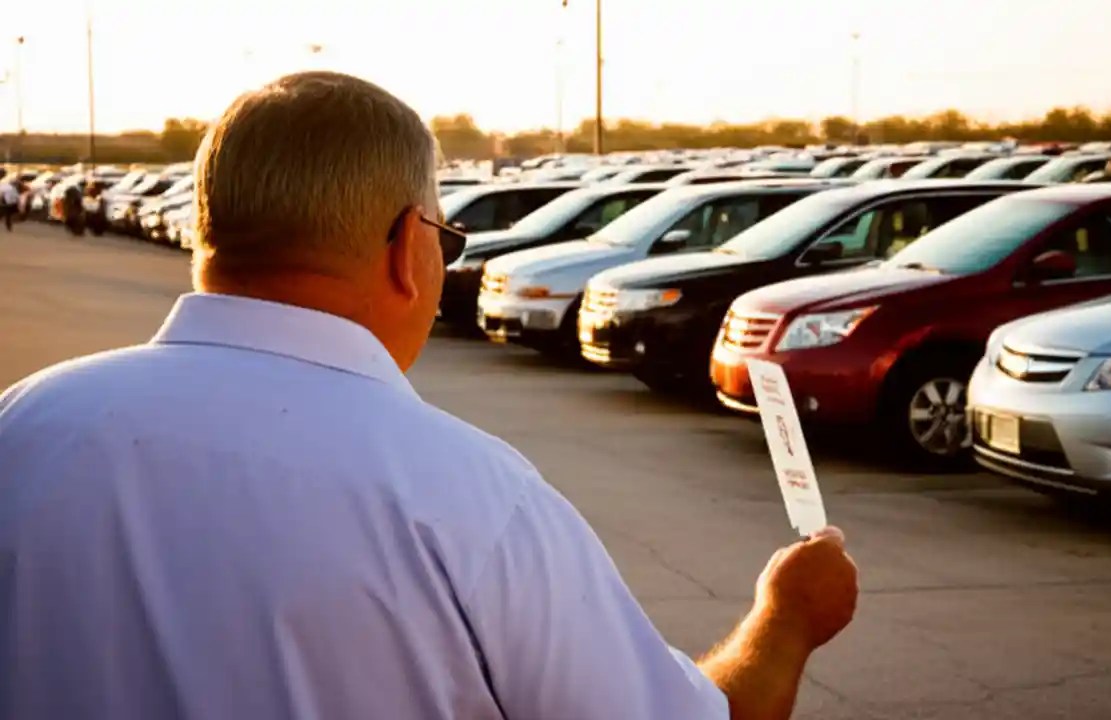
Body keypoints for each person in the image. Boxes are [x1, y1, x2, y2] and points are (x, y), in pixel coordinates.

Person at [0, 72, 858, 720]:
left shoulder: (28, 424)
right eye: (446, 238)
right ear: (409, 247)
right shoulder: (468, 498)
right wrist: (785, 620)